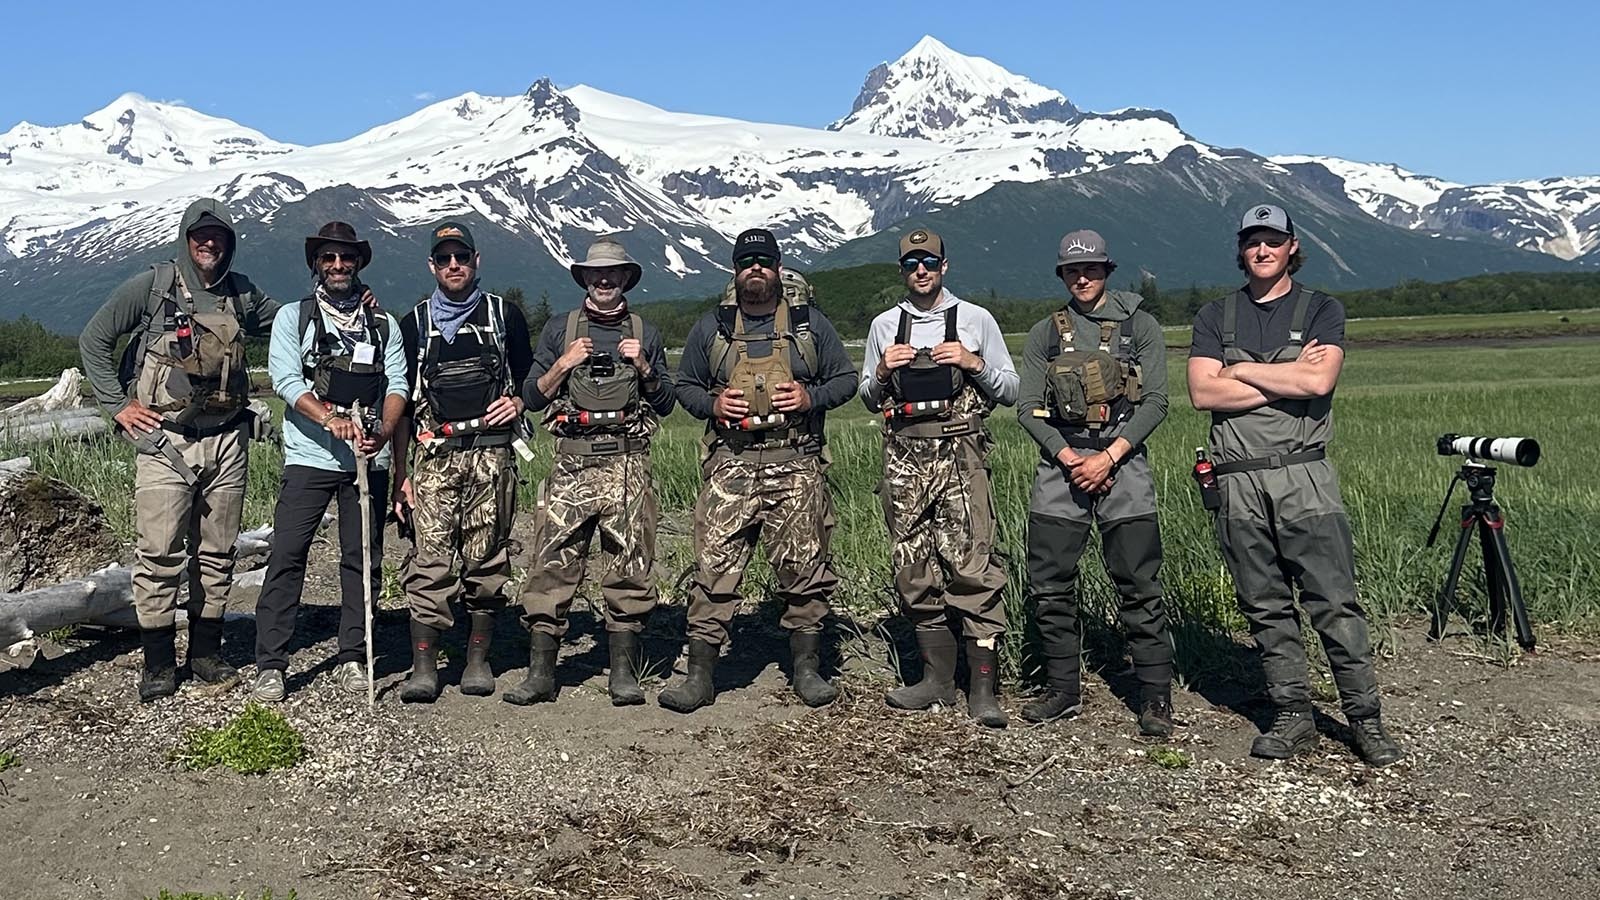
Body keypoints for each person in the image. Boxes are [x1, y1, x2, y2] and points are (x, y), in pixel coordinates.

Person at [1187, 204, 1403, 766]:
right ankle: (1292, 714)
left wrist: (1239, 371)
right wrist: (1286, 380)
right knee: (1264, 605)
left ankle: (1365, 719)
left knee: (1333, 602)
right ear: (1242, 249)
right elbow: (1202, 395)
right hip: (1236, 480)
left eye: (1273, 242)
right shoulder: (1216, 314)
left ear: (1291, 246)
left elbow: (1319, 379)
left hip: (1305, 475)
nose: (1263, 251)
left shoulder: (1322, 309)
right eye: (1253, 242)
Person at [78, 199, 281, 702]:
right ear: (186, 238)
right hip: (165, 441)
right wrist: (119, 405)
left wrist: (344, 303)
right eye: (200, 235)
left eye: (218, 236)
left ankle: (206, 654)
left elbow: (293, 320)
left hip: (230, 439)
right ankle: (158, 662)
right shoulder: (151, 287)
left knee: (217, 553)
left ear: (229, 243)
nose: (209, 243)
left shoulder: (242, 293)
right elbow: (94, 339)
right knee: (159, 555)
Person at [664, 228, 857, 712]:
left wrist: (811, 397)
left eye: (764, 261)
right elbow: (683, 385)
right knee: (714, 569)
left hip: (796, 462)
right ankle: (701, 676)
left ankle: (807, 671)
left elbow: (847, 380)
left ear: (777, 268)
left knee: (805, 569)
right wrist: (713, 404)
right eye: (747, 261)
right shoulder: (712, 327)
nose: (756, 269)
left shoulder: (811, 327)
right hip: (731, 463)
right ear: (735, 270)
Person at [1016, 230, 1176, 736]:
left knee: (1138, 582)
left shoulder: (1141, 325)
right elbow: (1027, 408)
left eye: (1091, 270)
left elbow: (1156, 402)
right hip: (1061, 463)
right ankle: (1062, 689)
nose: (1082, 278)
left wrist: (1109, 456)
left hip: (1123, 462)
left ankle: (1154, 697)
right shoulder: (1046, 332)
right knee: (1050, 583)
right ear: (1062, 276)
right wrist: (1068, 458)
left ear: (1108, 270)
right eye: (1072, 271)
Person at [860, 228, 1018, 728]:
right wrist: (884, 371)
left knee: (973, 563)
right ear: (902, 271)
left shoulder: (976, 319)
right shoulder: (885, 325)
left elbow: (1011, 389)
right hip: (903, 455)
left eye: (929, 261)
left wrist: (972, 362)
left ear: (945, 266)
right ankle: (936, 680)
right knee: (911, 562)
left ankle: (983, 688)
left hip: (961, 453)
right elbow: (866, 394)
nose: (921, 270)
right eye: (912, 264)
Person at [507, 236, 675, 706]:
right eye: (595, 274)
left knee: (629, 567)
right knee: (551, 566)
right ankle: (541, 674)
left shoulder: (646, 331)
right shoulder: (560, 329)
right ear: (584, 279)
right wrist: (563, 363)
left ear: (625, 279)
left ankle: (623, 674)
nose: (604, 280)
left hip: (628, 463)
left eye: (612, 274)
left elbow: (666, 403)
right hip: (570, 462)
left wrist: (643, 365)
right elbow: (533, 396)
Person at [249, 223, 408, 702]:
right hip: (309, 459)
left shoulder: (383, 325)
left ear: (359, 263)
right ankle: (271, 665)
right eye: (328, 259)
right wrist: (329, 419)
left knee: (363, 561)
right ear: (316, 264)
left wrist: (379, 433)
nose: (338, 266)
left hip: (367, 463)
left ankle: (354, 657)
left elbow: (398, 383)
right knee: (287, 555)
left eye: (346, 258)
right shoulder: (292, 319)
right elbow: (284, 379)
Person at [391, 221, 533, 703]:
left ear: (477, 261)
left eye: (462, 256)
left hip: (493, 457)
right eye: (445, 258)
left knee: (487, 559)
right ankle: (425, 666)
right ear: (432, 265)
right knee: (429, 561)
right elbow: (402, 405)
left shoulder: (505, 316)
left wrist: (518, 403)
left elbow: (530, 379)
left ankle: (477, 660)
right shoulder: (412, 325)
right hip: (434, 458)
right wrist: (401, 477)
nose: (454, 265)